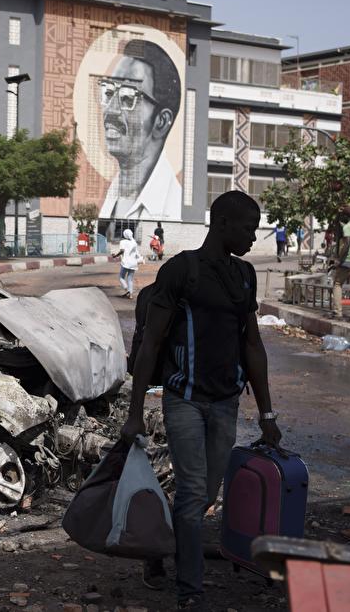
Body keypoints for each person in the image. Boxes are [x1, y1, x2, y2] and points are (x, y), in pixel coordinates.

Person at [123, 190, 281, 611]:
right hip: (185, 400)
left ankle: (158, 548)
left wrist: (267, 413)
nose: (253, 237)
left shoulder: (244, 275)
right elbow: (151, 344)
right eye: (248, 228)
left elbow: (253, 345)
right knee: (193, 492)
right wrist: (135, 413)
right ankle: (190, 591)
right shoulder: (182, 271)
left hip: (226, 401)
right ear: (223, 223)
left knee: (205, 495)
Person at [98, 39, 183, 221]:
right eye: (109, 93)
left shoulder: (173, 209)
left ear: (161, 121)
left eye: (128, 97)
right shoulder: (111, 196)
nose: (111, 110)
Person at [113, 228, 141, 298]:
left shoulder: (123, 242)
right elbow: (137, 253)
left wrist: (115, 255)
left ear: (124, 235)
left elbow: (122, 251)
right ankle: (130, 295)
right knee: (130, 279)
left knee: (121, 277)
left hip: (126, 263)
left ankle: (127, 290)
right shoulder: (134, 242)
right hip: (133, 263)